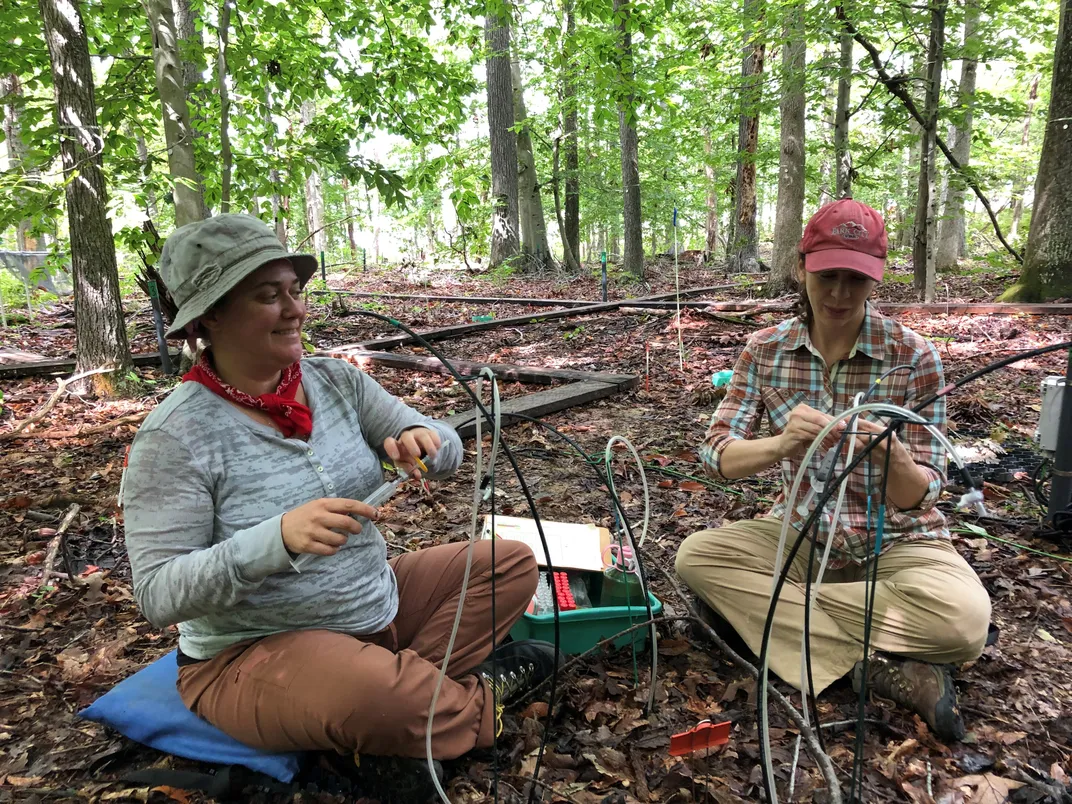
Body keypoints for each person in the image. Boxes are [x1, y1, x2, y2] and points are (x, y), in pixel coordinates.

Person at [122, 214, 558, 800]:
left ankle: (395, 720)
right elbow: (158, 593)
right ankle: (472, 707)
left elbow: (440, 440)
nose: (295, 310)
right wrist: (274, 539)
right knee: (386, 698)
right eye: (267, 296)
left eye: (295, 292)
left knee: (508, 564)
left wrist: (426, 441)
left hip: (374, 608)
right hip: (252, 651)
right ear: (211, 317)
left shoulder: (333, 382)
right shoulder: (175, 438)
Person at [675, 199, 991, 742]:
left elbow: (924, 497)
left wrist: (895, 461)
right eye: (827, 275)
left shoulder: (912, 356)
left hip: (899, 543)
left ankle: (761, 617)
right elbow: (717, 454)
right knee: (696, 557)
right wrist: (779, 445)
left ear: (876, 278)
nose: (840, 294)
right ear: (802, 267)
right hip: (799, 533)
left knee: (963, 622)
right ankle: (874, 666)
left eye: (856, 279)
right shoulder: (766, 350)